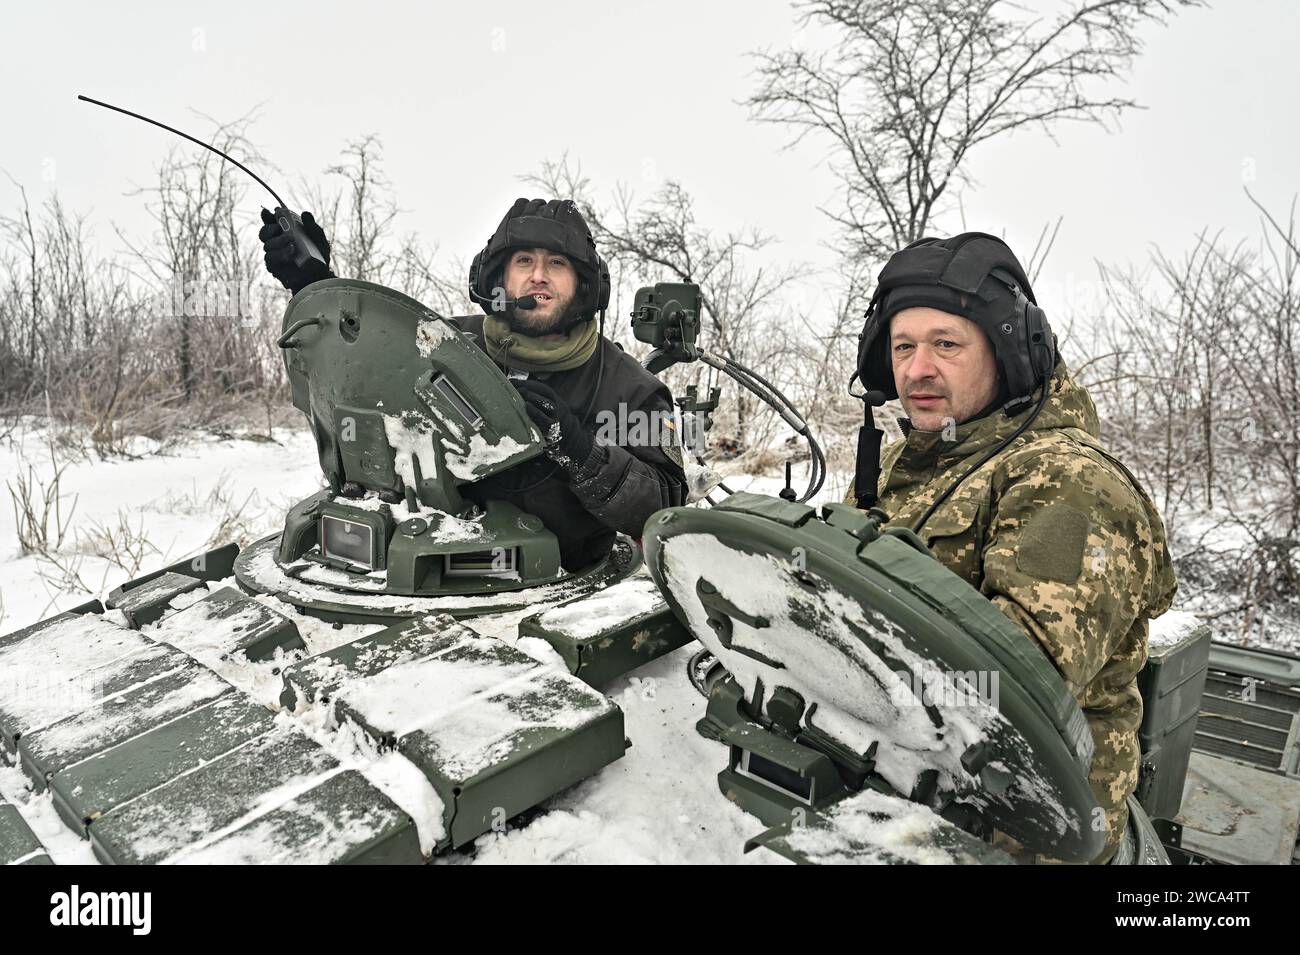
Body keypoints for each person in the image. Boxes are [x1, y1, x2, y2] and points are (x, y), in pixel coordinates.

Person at [849, 232, 1177, 864]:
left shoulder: (1071, 484)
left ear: (1009, 355)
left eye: (946, 344)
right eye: (902, 346)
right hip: (901, 780)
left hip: (1023, 829)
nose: (918, 369)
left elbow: (1012, 690)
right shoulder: (908, 463)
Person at [259, 198, 688, 571]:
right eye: (523, 262)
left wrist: (583, 454)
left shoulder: (630, 388)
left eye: (557, 264)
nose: (538, 276)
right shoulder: (442, 343)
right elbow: (370, 376)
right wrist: (314, 285)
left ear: (583, 285)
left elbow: (667, 508)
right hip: (416, 568)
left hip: (556, 584)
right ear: (497, 279)